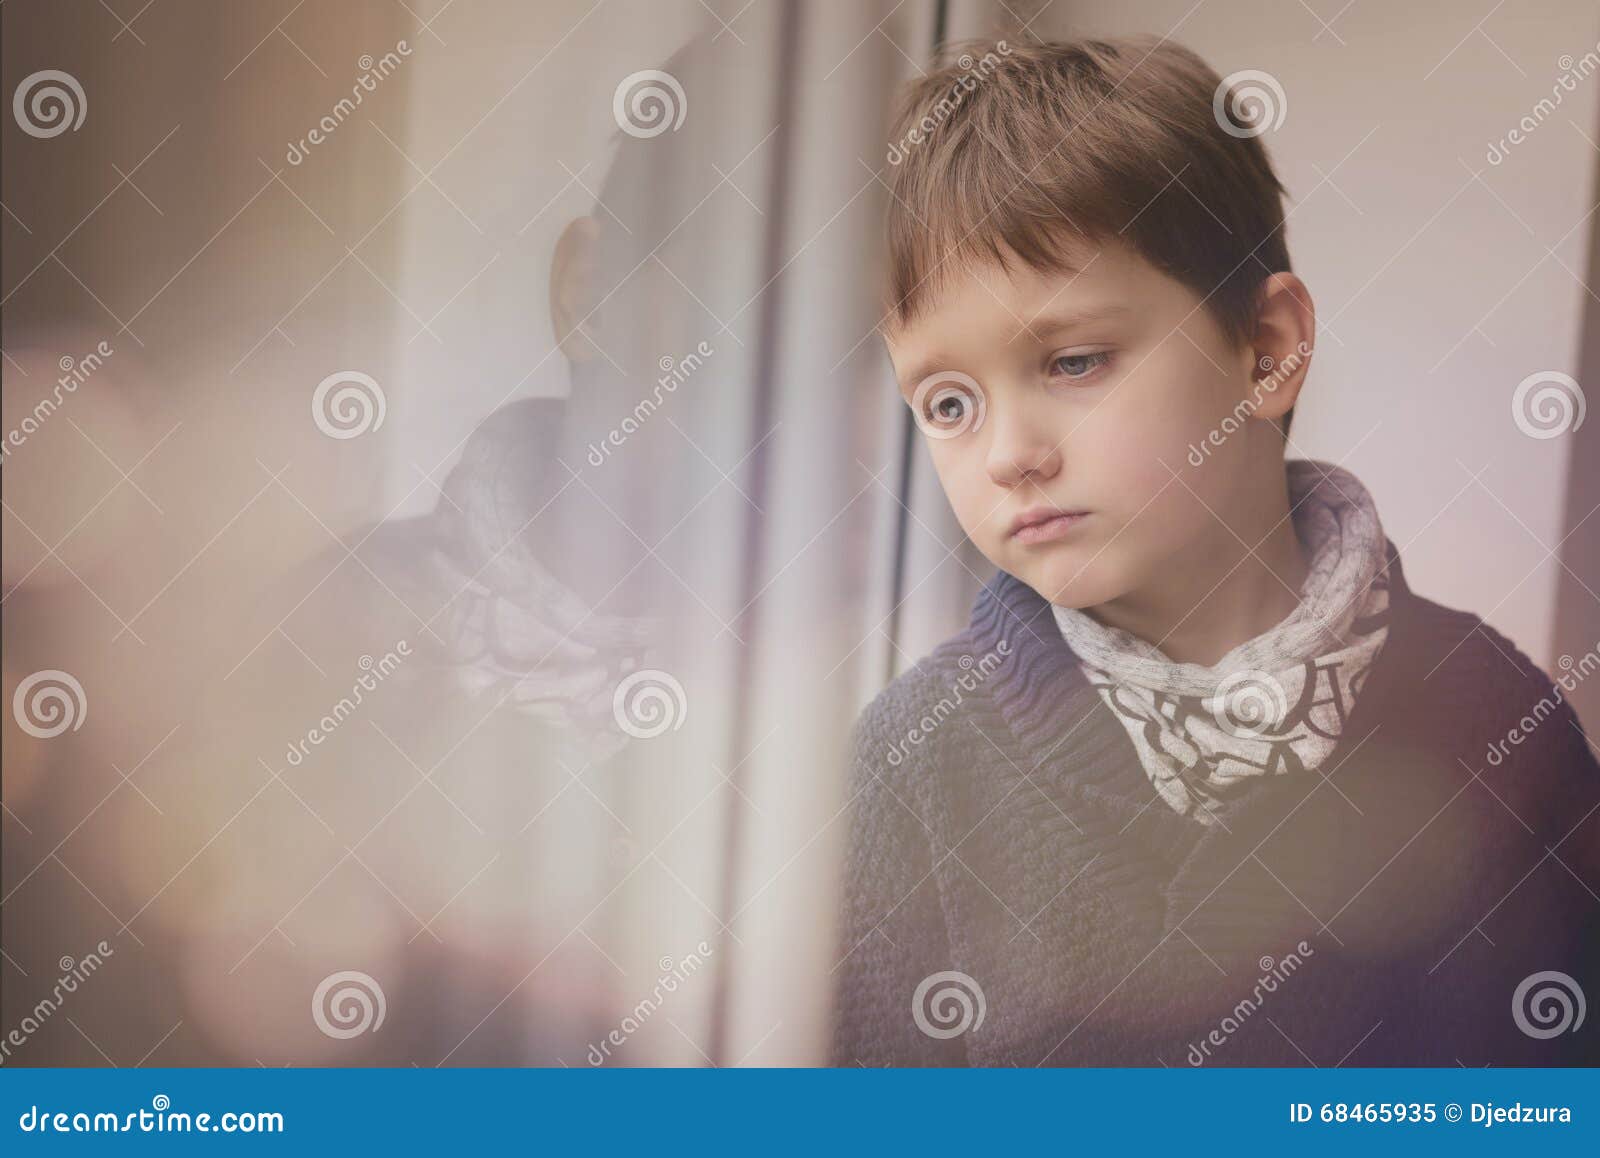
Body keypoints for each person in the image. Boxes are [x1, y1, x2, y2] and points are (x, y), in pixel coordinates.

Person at [830, 36, 1600, 1066]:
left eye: (1071, 361)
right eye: (948, 403)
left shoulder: (1501, 725)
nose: (1008, 455)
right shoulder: (909, 767)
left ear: (1266, 351)